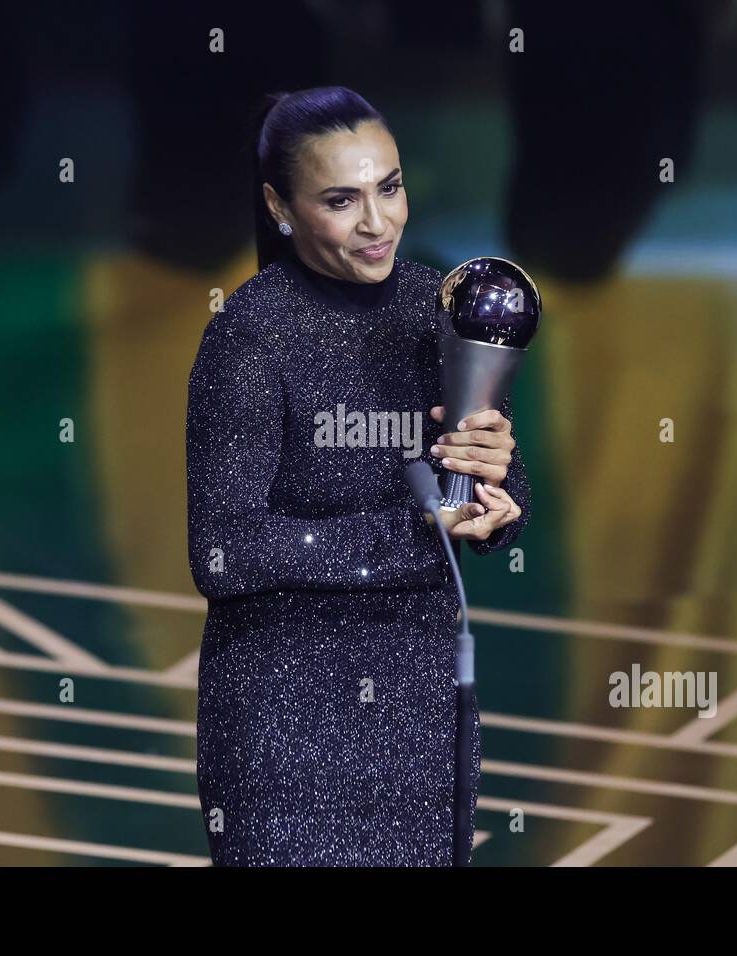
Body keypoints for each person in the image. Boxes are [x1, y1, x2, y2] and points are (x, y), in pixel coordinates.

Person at [186, 86, 530, 865]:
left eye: (390, 187)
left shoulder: (437, 306)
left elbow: (505, 498)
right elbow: (221, 553)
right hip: (284, 729)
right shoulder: (248, 338)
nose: (378, 223)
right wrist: (412, 532)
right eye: (342, 200)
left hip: (421, 717)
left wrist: (497, 500)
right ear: (280, 205)